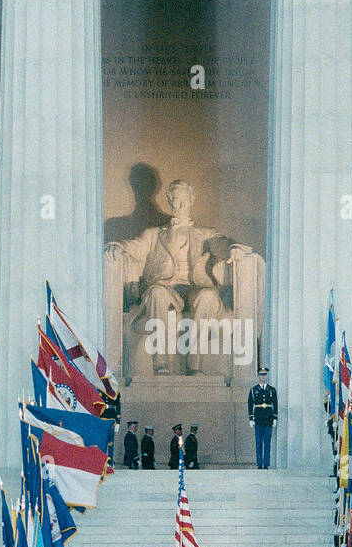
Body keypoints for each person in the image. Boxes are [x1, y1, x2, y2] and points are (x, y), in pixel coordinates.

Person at [104, 178, 249, 376]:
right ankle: (161, 366)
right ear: (169, 201)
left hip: (197, 289)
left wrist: (235, 249)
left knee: (207, 295)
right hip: (166, 289)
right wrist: (118, 246)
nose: (179, 205)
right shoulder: (154, 234)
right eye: (175, 200)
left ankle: (195, 365)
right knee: (155, 293)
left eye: (184, 200)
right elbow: (136, 246)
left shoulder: (207, 234)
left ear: (191, 200)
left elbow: (224, 244)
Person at [248, 366, 277, 469]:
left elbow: (275, 404)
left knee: (267, 443)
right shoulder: (253, 390)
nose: (263, 377)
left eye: (264, 375)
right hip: (258, 419)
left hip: (268, 419)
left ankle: (266, 464)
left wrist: (275, 418)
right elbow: (250, 404)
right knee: (259, 443)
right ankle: (259, 463)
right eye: (261, 375)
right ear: (258, 376)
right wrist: (251, 418)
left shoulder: (271, 390)